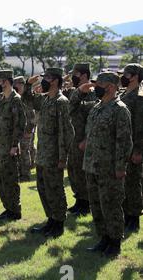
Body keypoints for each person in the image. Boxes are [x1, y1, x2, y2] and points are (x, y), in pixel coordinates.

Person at [83, 72, 133, 257]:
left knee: (111, 205)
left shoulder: (120, 109)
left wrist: (120, 167)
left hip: (109, 168)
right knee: (96, 205)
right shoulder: (97, 107)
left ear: (110, 87)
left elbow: (124, 142)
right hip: (92, 165)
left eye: (100, 84)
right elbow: (90, 135)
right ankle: (103, 238)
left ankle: (114, 242)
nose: (96, 87)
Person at [26, 68, 75, 238]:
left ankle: (59, 223)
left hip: (54, 155)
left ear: (55, 80)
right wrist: (28, 85)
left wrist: (63, 157)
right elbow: (28, 100)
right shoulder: (46, 99)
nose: (43, 80)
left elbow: (66, 131)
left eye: (47, 77)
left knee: (55, 189)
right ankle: (51, 220)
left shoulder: (61, 102)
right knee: (43, 188)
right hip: (42, 153)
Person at [0, 70, 26, 221]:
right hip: (0, 146)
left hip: (9, 147)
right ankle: (8, 208)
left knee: (10, 180)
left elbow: (20, 124)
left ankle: (15, 211)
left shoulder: (16, 99)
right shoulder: (1, 98)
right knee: (1, 180)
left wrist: (15, 145)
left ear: (6, 82)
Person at [65, 63, 98, 217]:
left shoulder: (94, 94)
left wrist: (86, 139)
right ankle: (79, 200)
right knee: (73, 171)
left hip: (84, 141)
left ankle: (86, 204)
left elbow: (94, 119)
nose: (73, 76)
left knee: (83, 173)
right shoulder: (73, 92)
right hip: (72, 138)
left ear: (84, 75)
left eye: (76, 73)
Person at [119, 63, 143, 233]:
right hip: (120, 147)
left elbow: (140, 126)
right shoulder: (122, 95)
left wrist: (139, 150)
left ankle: (133, 218)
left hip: (132, 148)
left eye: (126, 74)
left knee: (133, 184)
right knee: (123, 184)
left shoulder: (139, 97)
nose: (123, 77)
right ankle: (125, 214)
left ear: (135, 77)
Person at [14, 76, 36, 182]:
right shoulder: (16, 97)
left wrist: (29, 130)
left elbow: (32, 116)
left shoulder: (27, 97)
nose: (15, 86)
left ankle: (26, 175)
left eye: (17, 84)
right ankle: (20, 172)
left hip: (26, 130)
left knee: (25, 152)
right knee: (18, 152)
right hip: (18, 129)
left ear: (22, 84)